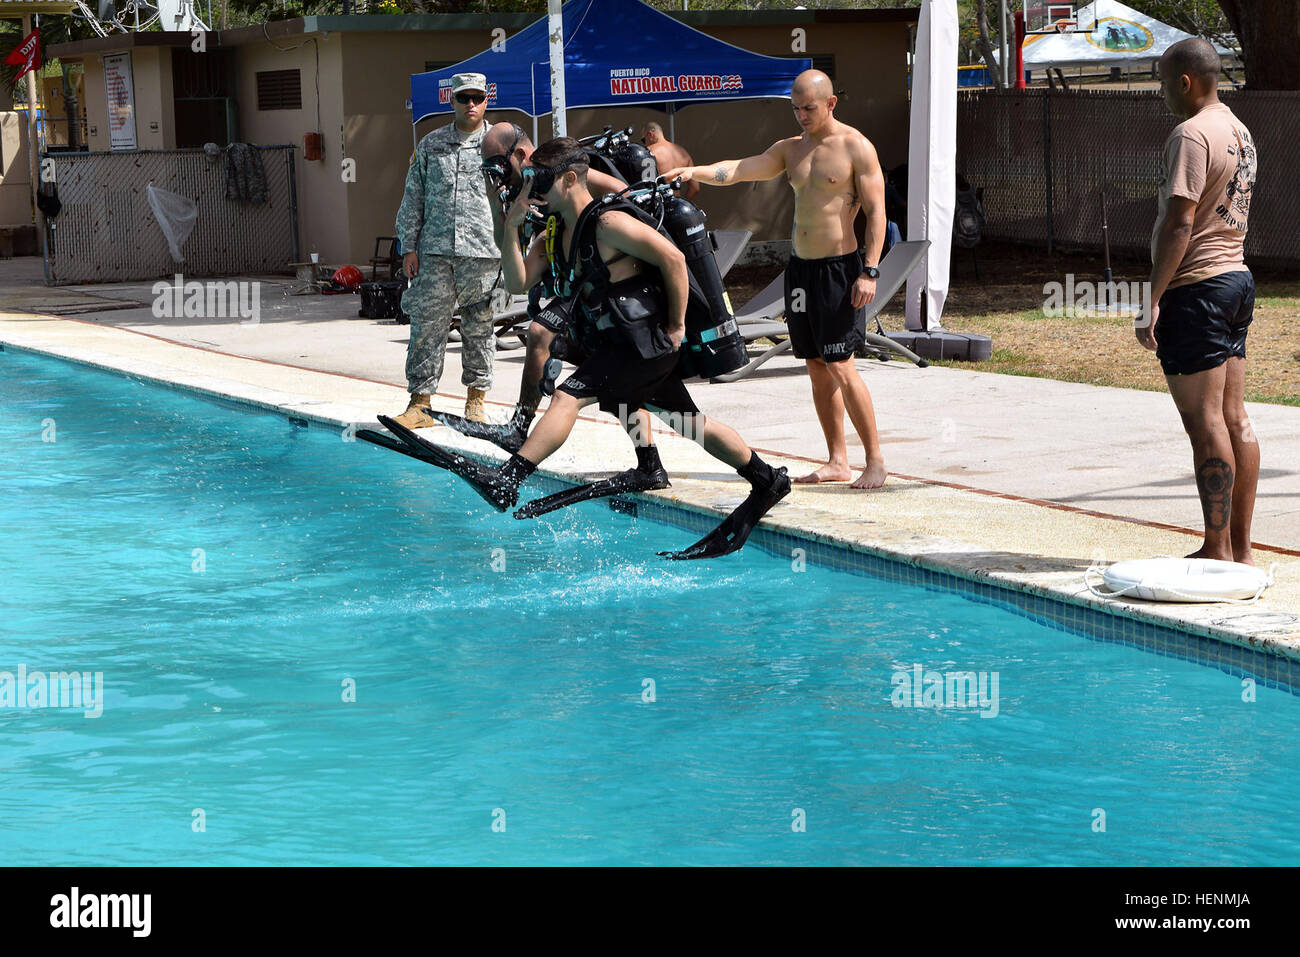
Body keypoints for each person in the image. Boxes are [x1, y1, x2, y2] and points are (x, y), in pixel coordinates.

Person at [376, 137, 790, 560]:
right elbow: (518, 282)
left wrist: (678, 325)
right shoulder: (553, 231)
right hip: (621, 343)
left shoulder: (608, 223)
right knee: (688, 422)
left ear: (571, 179)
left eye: (541, 179)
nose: (532, 188)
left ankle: (510, 477)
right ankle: (765, 477)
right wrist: (511, 226)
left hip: (646, 344)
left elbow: (673, 260)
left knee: (568, 395)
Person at [664, 69, 888, 490]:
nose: (801, 115)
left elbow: (877, 213)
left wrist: (870, 270)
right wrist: (694, 171)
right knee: (818, 367)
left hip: (840, 270)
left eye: (809, 108)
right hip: (801, 270)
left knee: (841, 364)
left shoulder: (856, 147)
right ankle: (838, 460)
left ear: (831, 103)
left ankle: (874, 460)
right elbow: (741, 169)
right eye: (795, 108)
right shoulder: (790, 150)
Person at [431, 122, 631, 451]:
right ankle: (649, 460)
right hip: (569, 285)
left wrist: (581, 228)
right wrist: (500, 210)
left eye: (498, 164)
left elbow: (622, 194)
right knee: (633, 390)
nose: (498, 174)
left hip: (601, 282)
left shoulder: (559, 171)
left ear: (521, 154)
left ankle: (520, 429)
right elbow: (505, 246)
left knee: (544, 336)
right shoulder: (518, 188)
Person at [1136, 38, 1258, 565]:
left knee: (1205, 421)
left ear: (1185, 81)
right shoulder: (1239, 130)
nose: (1162, 94)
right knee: (1235, 419)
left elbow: (1179, 221)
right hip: (1236, 281)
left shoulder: (1190, 133)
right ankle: (1241, 549)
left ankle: (1216, 548)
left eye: (1164, 83)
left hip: (1199, 287)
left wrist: (1153, 297)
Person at [391, 72, 502, 429]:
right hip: (435, 252)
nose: (471, 104)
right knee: (426, 326)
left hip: (484, 252)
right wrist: (409, 246)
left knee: (479, 327)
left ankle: (476, 402)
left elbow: (517, 198)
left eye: (477, 98)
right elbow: (414, 197)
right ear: (451, 100)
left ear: (488, 99)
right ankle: (420, 405)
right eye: (463, 98)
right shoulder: (431, 144)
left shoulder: (501, 144)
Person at [640, 122, 699, 202]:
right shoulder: (683, 153)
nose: (644, 143)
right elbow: (695, 188)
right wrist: (681, 203)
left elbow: (647, 187)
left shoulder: (649, 152)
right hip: (677, 206)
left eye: (643, 140)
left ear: (650, 134)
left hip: (660, 207)